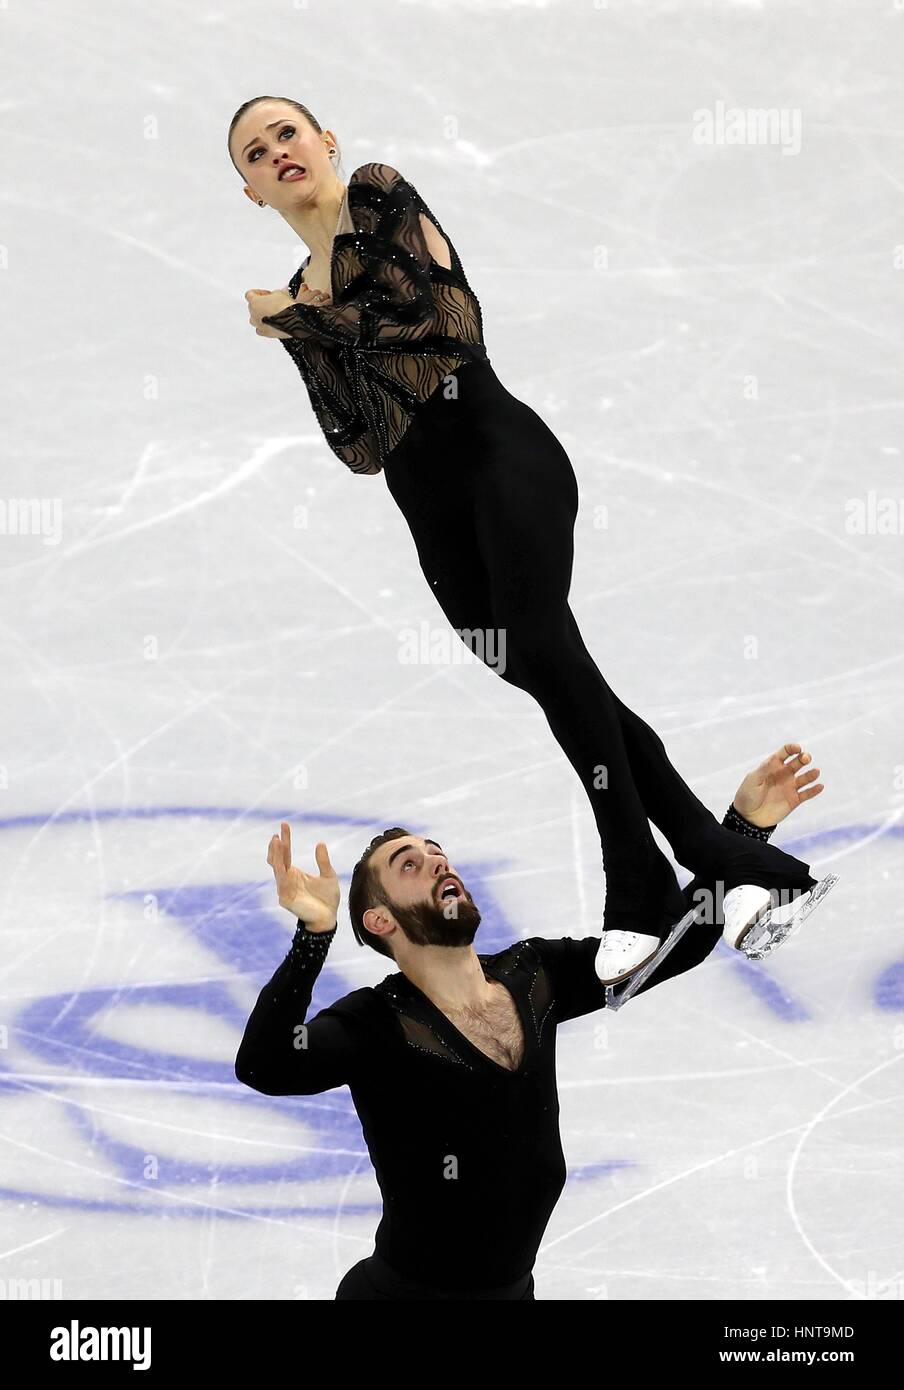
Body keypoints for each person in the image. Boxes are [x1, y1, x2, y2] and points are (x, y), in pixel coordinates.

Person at [227, 95, 834, 982]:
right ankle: (741, 865)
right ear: (248, 191)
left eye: (288, 133)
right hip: (424, 500)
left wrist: (305, 316)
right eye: (254, 151)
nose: (277, 151)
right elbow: (357, 444)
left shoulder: (378, 195)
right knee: (547, 673)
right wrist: (295, 332)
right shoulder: (301, 289)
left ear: (327, 142)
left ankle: (640, 885)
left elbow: (444, 324)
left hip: (498, 455)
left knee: (547, 652)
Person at [234, 743, 827, 1300]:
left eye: (437, 854)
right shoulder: (378, 1022)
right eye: (409, 866)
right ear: (381, 920)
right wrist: (313, 935)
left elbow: (671, 949)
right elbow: (265, 1065)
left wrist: (743, 833)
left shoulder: (534, 974)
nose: (438, 864)